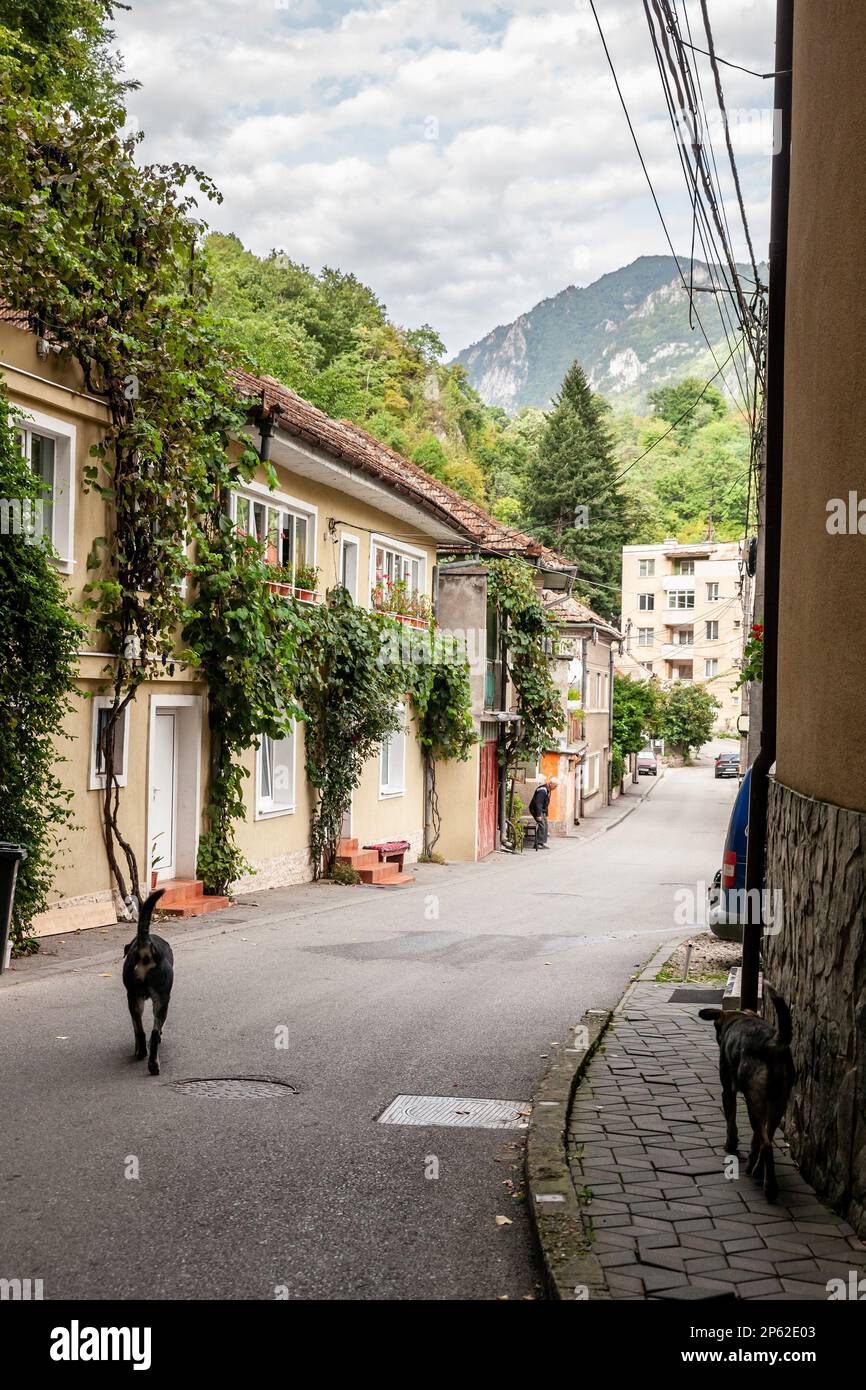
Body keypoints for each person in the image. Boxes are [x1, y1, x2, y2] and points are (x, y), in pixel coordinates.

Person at [528, 777, 558, 848]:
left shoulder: (548, 789)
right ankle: (537, 844)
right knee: (542, 825)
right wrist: (538, 815)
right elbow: (538, 803)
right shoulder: (543, 790)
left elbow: (545, 803)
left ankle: (541, 843)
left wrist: (545, 814)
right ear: (551, 784)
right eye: (555, 786)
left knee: (545, 826)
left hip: (541, 810)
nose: (556, 787)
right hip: (536, 809)